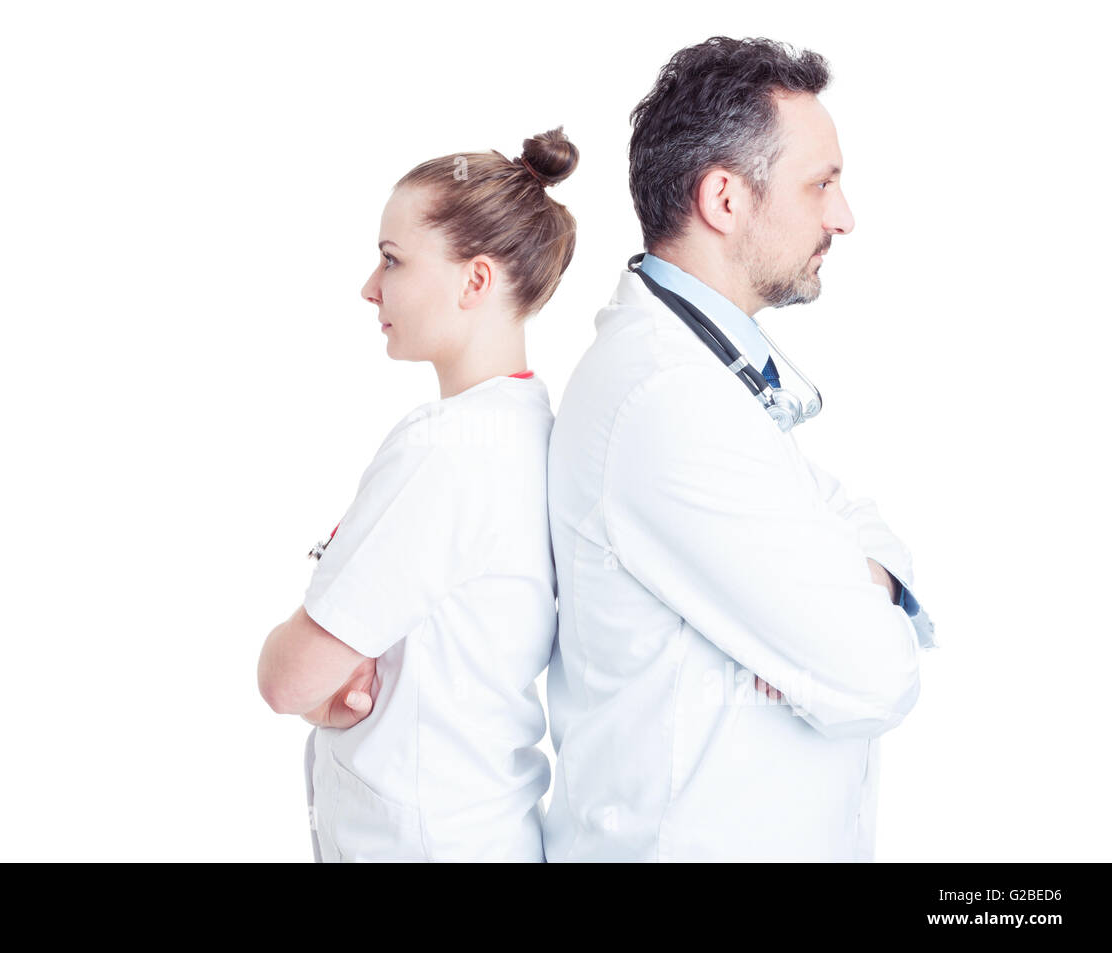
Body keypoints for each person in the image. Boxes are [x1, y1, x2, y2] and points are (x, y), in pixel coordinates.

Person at [542, 37, 936, 862]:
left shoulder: (703, 378)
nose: (844, 215)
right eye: (821, 183)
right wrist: (848, 584)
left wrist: (859, 576)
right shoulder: (666, 400)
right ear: (724, 197)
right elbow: (874, 674)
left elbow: (860, 522)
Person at [257, 129, 579, 862]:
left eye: (392, 260)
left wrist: (303, 676)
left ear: (475, 280)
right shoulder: (530, 429)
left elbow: (286, 678)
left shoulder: (444, 450)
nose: (370, 286)